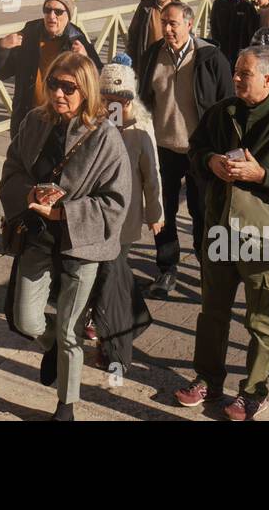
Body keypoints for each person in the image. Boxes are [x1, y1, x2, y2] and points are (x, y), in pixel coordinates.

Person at [173, 46, 269, 420]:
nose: (236, 78)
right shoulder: (223, 111)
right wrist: (210, 161)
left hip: (263, 238)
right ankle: (207, 379)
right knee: (212, 312)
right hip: (220, 229)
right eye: (236, 72)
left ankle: (254, 392)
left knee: (260, 319)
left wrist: (262, 176)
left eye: (244, 74)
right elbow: (196, 148)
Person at [0, 52, 130, 420]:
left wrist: (63, 212)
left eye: (68, 87)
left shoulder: (106, 137)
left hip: (81, 246)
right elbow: (11, 168)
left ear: (86, 90)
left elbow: (116, 204)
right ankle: (54, 347)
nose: (58, 93)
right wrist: (29, 194)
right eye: (53, 84)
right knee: (26, 319)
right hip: (37, 236)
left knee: (72, 331)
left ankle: (65, 405)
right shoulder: (34, 122)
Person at [136, 2, 233, 296]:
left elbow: (228, 104)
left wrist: (225, 150)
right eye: (164, 22)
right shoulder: (153, 54)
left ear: (189, 24)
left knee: (203, 210)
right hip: (163, 148)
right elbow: (144, 99)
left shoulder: (210, 57)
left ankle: (208, 269)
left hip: (201, 150)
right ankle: (167, 268)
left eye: (173, 23)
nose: (167, 29)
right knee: (162, 210)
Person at [84, 57, 159, 371]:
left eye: (122, 100)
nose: (115, 106)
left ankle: (116, 352)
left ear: (131, 100)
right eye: (108, 100)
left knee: (108, 283)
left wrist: (156, 214)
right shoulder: (91, 128)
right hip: (99, 217)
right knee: (114, 276)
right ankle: (137, 318)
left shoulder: (140, 131)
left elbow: (152, 177)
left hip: (126, 221)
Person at [0, 0, 102, 137]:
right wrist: (2, 47)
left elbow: (98, 79)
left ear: (68, 16)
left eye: (58, 12)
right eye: (47, 10)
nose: (51, 16)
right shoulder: (29, 33)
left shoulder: (76, 39)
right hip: (27, 116)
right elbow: (2, 72)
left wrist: (86, 59)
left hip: (61, 119)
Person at [126, 0, 178, 72]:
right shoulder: (145, 7)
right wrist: (132, 60)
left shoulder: (180, 9)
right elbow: (133, 33)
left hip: (171, 61)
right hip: (148, 59)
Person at [210, 0, 260, 69]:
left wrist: (249, 47)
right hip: (222, 46)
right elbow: (213, 24)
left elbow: (252, 28)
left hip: (240, 47)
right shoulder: (218, 3)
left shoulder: (246, 5)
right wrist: (216, 42)